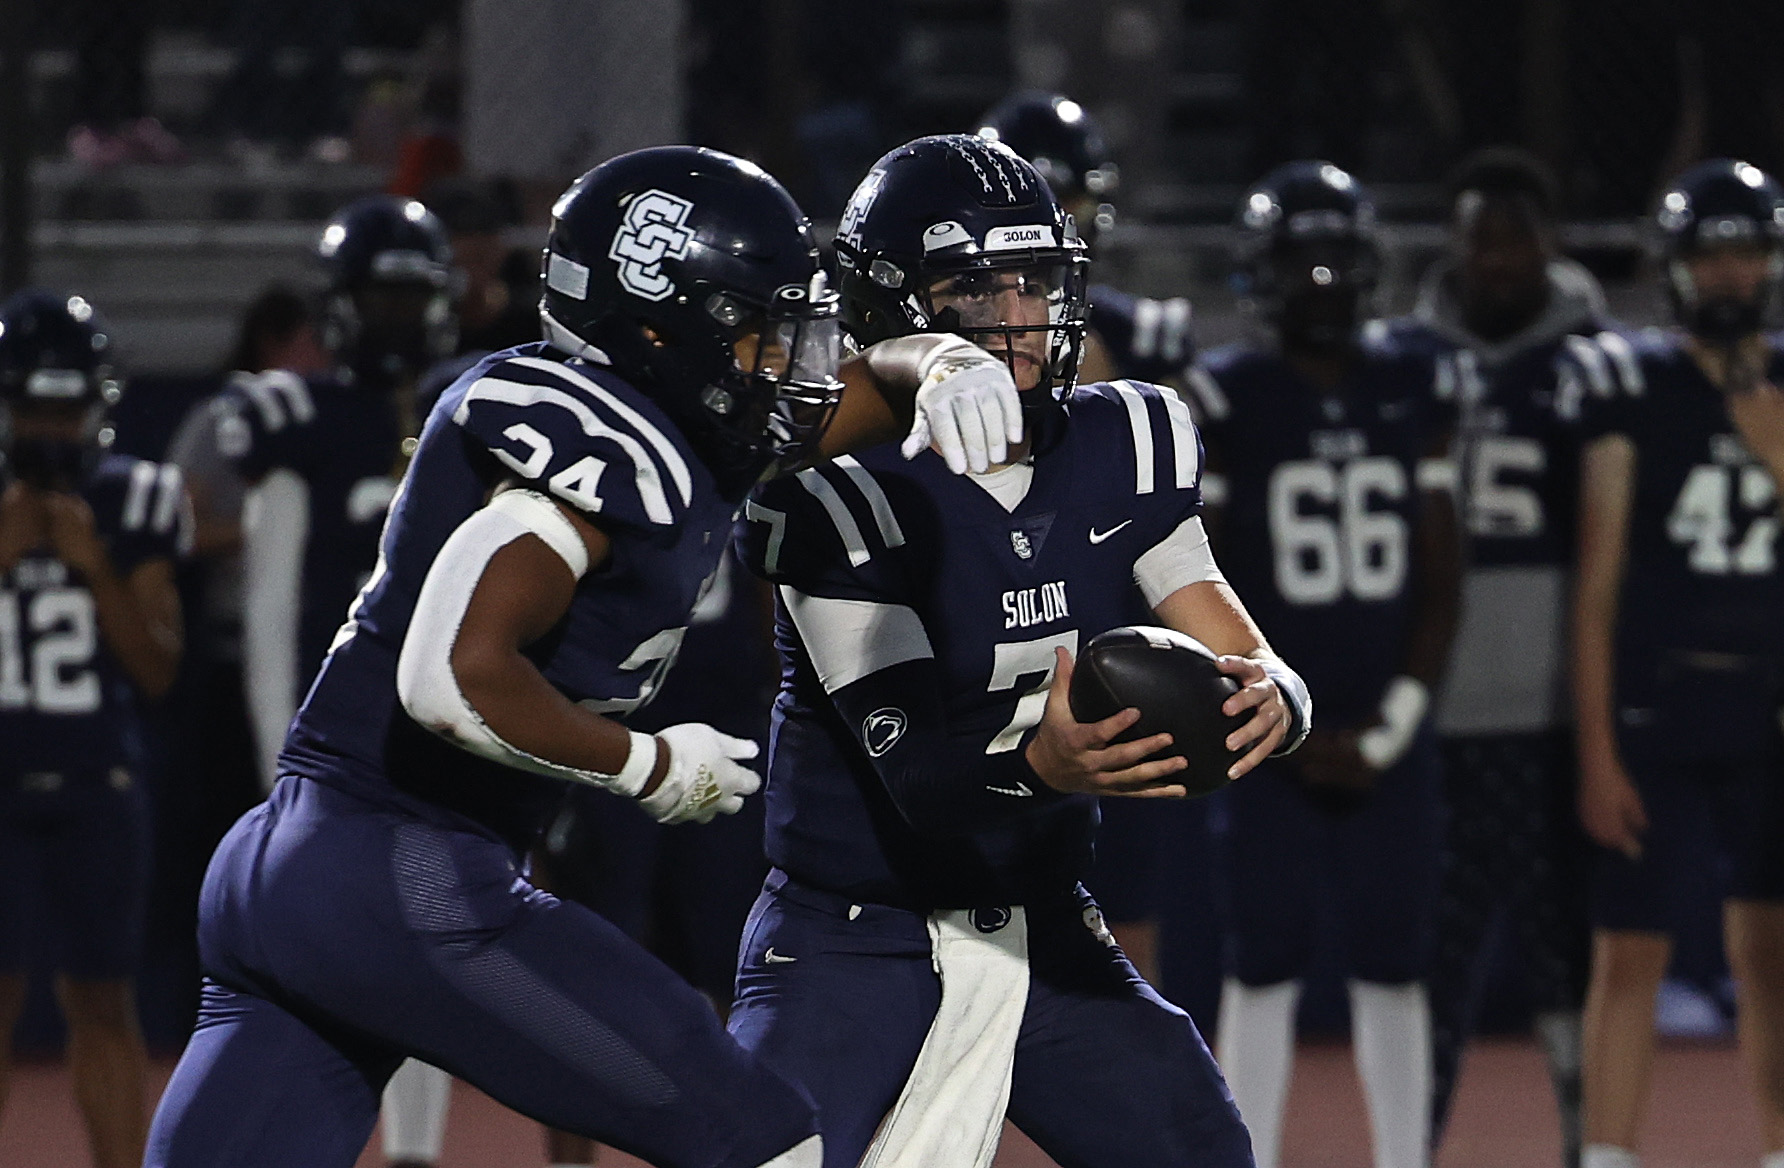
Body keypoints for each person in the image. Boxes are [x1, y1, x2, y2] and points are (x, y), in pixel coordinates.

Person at [143, 143, 1028, 1168]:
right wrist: (650, 766)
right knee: (768, 1140)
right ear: (659, 330)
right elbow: (451, 676)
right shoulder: (606, 446)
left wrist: (944, 362)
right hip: (407, 870)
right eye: (757, 334)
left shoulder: (686, 420)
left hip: (289, 873)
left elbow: (861, 393)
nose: (791, 365)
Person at [728, 132, 1310, 1168]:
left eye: (1033, 281)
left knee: (1197, 1147)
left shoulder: (1123, 441)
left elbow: (1231, 633)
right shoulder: (836, 491)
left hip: (1037, 925)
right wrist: (1042, 764)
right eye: (970, 286)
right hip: (854, 933)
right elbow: (921, 786)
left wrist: (1277, 696)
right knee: (760, 1152)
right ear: (892, 305)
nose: (1013, 315)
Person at [1185, 162, 1463, 1168]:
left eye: (1331, 261)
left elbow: (1441, 574)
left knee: (1396, 963)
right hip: (1265, 720)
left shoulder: (1411, 380)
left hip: (1383, 721)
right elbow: (1194, 575)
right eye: (1296, 262)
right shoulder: (1228, 398)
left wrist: (1388, 725)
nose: (1316, 284)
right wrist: (1272, 717)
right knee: (1259, 963)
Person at [975, 90, 1213, 1012]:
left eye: (1066, 198)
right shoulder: (935, 351)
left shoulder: (1142, 339)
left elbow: (1171, 514)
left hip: (1117, 648)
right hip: (991, 646)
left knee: (1130, 916)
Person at [1568, 158, 1784, 1168]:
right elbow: (1596, 585)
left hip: (1767, 709)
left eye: (1746, 253)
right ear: (1675, 268)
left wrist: (1771, 441)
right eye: (1712, 255)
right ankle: (1609, 1155)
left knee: (1770, 953)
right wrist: (1596, 748)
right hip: (1658, 703)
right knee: (1628, 951)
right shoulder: (1632, 384)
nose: (1731, 276)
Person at [1413, 147, 1604, 1166]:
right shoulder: (1401, 358)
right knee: (1427, 969)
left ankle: (1585, 1143)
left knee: (1562, 961)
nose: (1493, 256)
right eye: (1477, 234)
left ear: (1548, 243)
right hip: (1432, 719)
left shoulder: (1598, 364)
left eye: (1512, 235)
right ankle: (1412, 1144)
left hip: (1548, 719)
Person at [0, 290, 188, 1168]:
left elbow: (156, 668)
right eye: (34, 406)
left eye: (64, 408)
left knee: (105, 1002)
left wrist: (93, 567)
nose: (51, 427)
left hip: (97, 781)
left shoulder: (135, 497)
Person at [225, 196, 456, 793]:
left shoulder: (470, 406)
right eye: (382, 299)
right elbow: (271, 614)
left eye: (413, 298)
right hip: (338, 721)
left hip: (455, 719)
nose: (399, 316)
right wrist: (281, 771)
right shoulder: (297, 419)